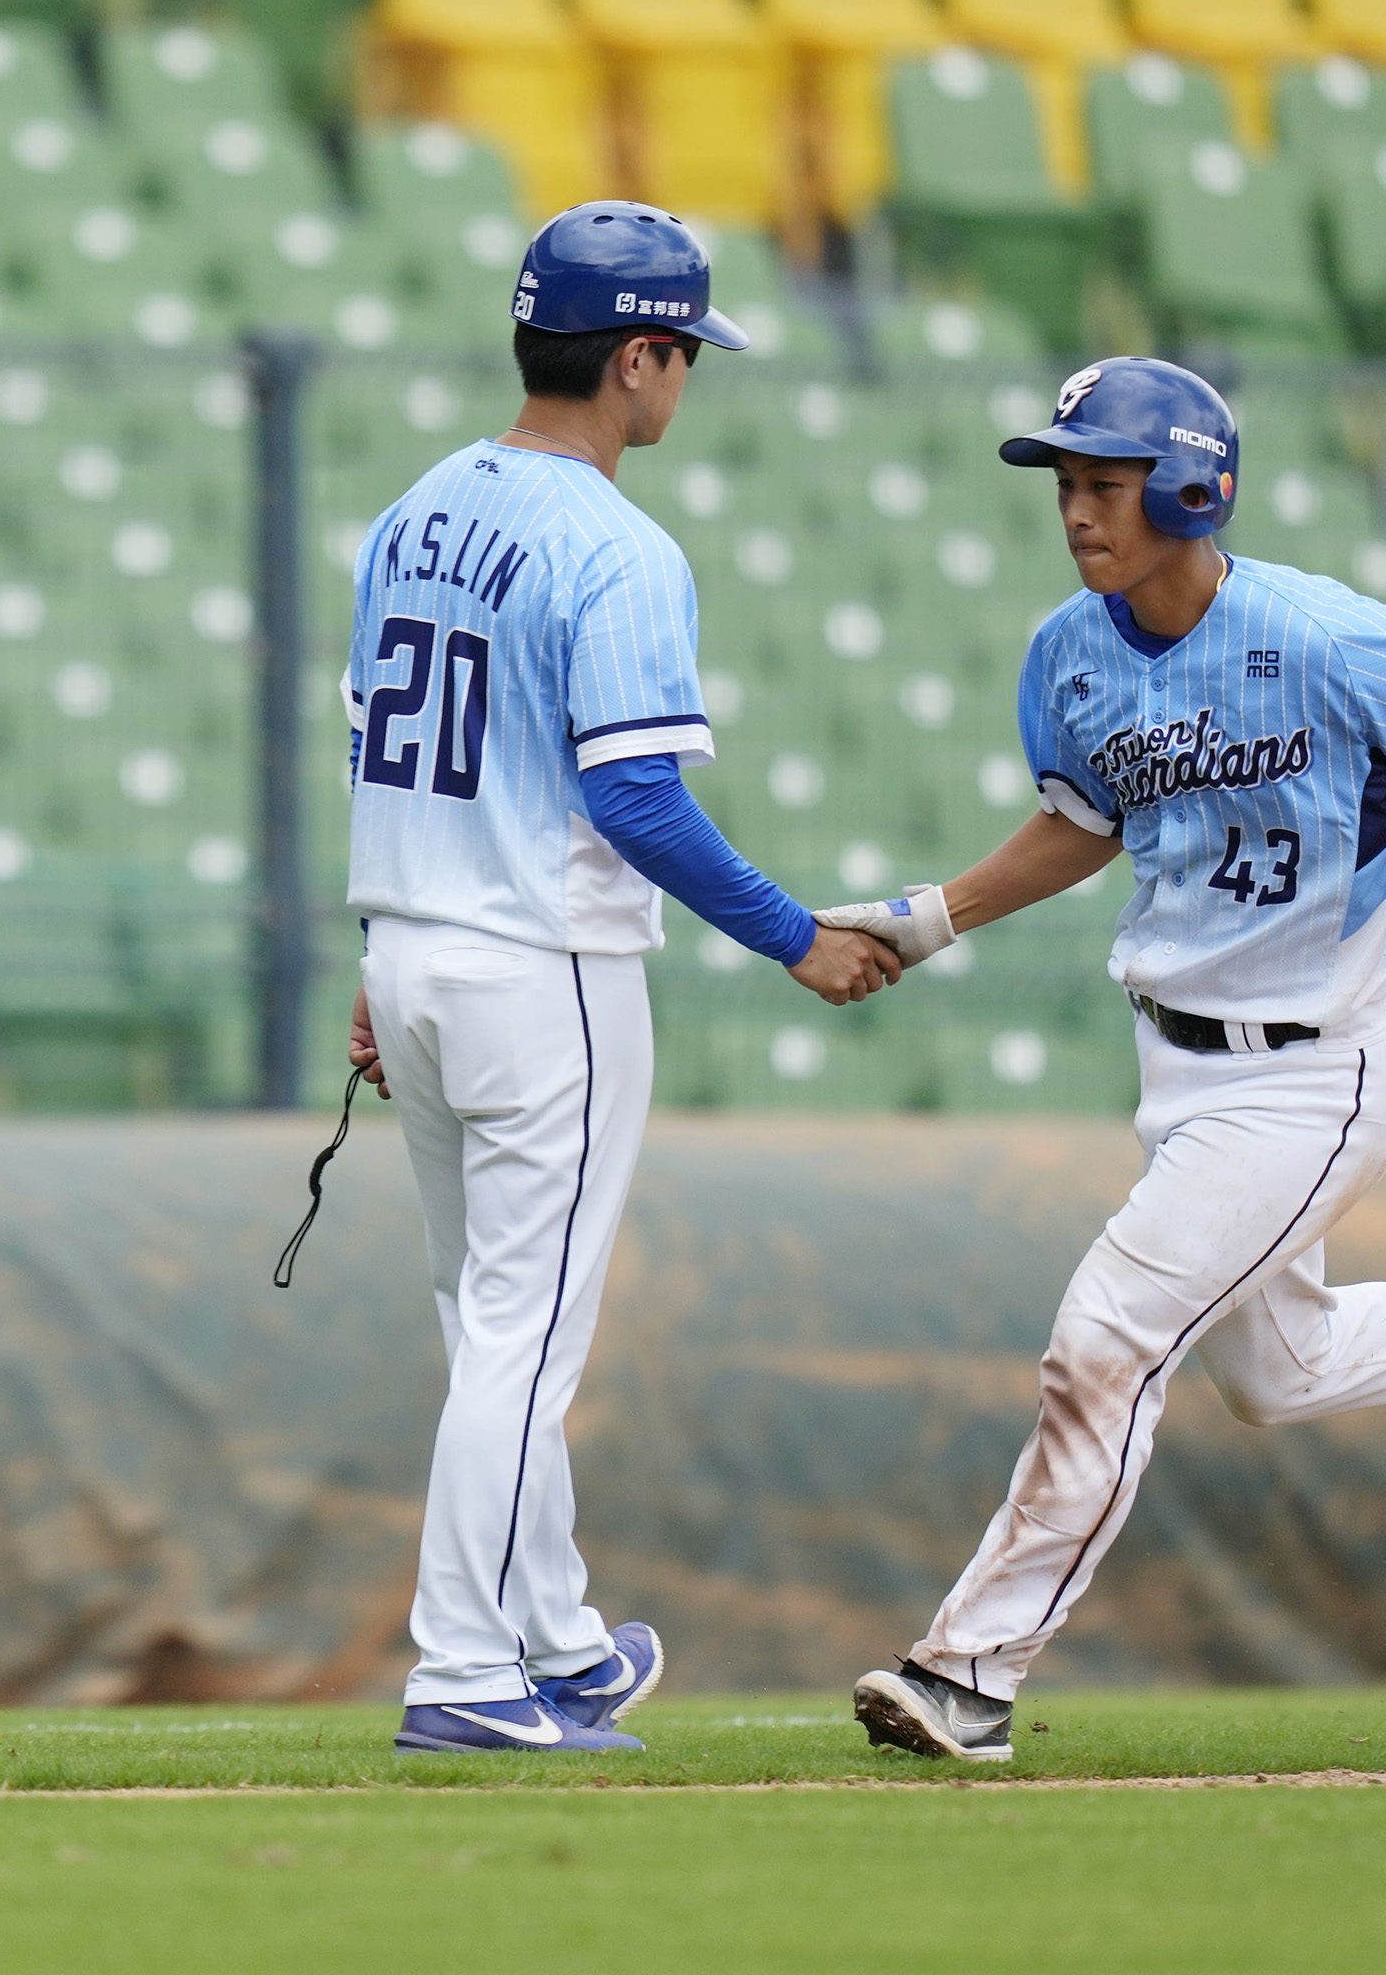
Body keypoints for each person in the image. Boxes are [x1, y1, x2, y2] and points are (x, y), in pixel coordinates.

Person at [824, 357, 1386, 1763]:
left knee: (1104, 1340)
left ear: (1190, 485)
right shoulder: (1072, 654)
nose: (1077, 511)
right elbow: (1086, 821)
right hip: (1181, 1071)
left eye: (1103, 482)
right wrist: (927, 922)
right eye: (1065, 482)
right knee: (1280, 1372)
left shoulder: (1327, 639)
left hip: (1313, 1073)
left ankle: (968, 1672)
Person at [341, 204, 900, 1755]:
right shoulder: (616, 544)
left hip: (416, 942)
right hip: (542, 968)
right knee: (524, 1336)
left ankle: (560, 1641)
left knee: (487, 1322)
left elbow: (380, 748)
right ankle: (465, 1669)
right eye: (682, 354)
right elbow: (636, 800)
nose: (684, 382)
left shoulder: (413, 509)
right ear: (639, 356)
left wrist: (378, 964)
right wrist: (796, 933)